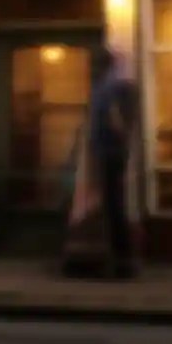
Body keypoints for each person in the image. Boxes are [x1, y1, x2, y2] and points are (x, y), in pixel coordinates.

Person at [65, 48, 138, 279]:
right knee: (112, 203)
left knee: (111, 205)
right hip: (110, 151)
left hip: (106, 152)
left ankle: (120, 261)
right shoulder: (114, 85)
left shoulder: (105, 88)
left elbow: (113, 117)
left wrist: (118, 136)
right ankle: (119, 259)